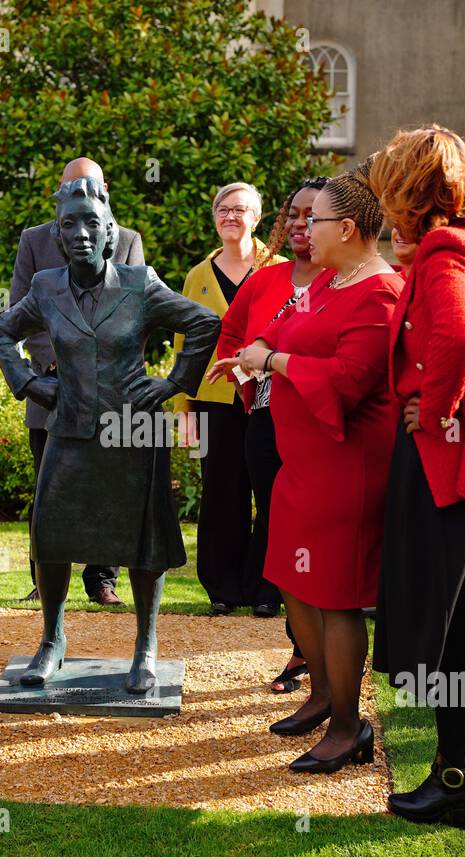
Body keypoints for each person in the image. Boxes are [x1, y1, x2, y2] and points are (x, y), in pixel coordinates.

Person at [0, 177, 220, 692]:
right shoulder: (46, 286)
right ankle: (52, 640)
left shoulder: (140, 284)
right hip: (69, 427)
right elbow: (3, 329)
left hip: (133, 427)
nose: (81, 233)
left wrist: (173, 383)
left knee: (144, 542)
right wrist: (28, 382)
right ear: (58, 232)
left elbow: (203, 323)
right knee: (50, 533)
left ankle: (146, 646)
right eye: (69, 224)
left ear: (111, 232)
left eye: (92, 223)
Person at [210, 161, 401, 773]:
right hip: (301, 460)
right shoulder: (328, 282)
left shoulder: (379, 290)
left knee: (335, 595)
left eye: (313, 221)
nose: (301, 231)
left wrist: (275, 361)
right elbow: (275, 328)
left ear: (346, 228)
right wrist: (253, 355)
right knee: (294, 580)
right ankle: (321, 695)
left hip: (347, 465)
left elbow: (347, 383)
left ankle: (350, 726)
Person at [369, 126, 465, 828]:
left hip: (450, 467)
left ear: (409, 191)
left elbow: (461, 340)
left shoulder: (439, 252)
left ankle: (455, 777)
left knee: (449, 630)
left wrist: (432, 414)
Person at [9, 156, 145, 606]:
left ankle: (102, 579)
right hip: (53, 390)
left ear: (104, 189)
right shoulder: (34, 240)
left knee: (106, 486)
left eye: (90, 185)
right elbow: (19, 313)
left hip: (109, 392)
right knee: (51, 488)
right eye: (73, 185)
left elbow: (135, 315)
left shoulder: (126, 241)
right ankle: (46, 579)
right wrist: (53, 364)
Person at [214, 178, 330, 693]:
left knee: (324, 538)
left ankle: (331, 657)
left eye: (313, 215)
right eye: (295, 214)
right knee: (283, 535)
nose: (301, 224)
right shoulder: (265, 280)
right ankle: (300, 649)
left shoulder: (352, 280)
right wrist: (247, 371)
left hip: (329, 429)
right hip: (266, 424)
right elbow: (230, 337)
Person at [174, 183, 286, 616]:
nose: (230, 216)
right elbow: (185, 344)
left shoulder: (278, 268)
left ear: (256, 218)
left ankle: (265, 588)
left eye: (241, 209)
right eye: (223, 208)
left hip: (266, 396)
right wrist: (183, 409)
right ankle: (221, 587)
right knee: (221, 493)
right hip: (213, 398)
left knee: (270, 490)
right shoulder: (198, 276)